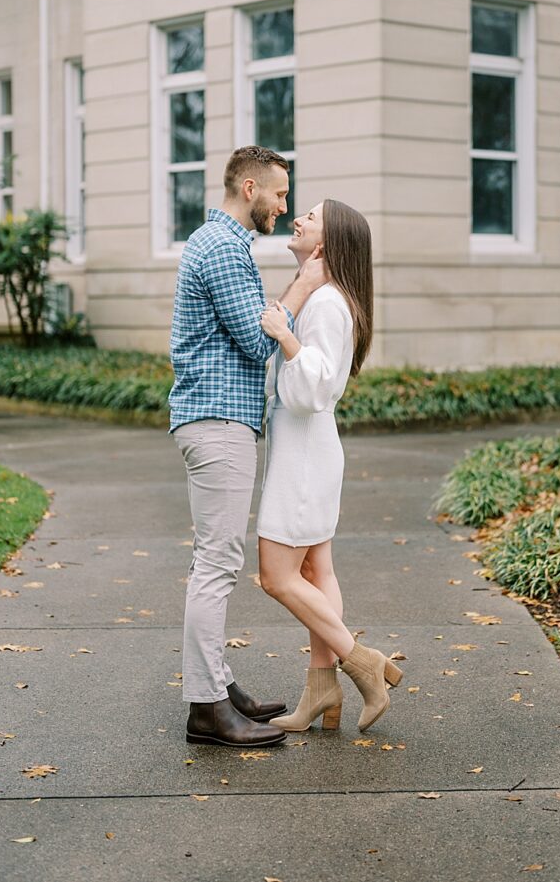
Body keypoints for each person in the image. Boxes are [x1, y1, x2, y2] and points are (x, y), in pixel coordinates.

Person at [169, 145, 328, 748]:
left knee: (210, 562)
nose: (284, 206)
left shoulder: (220, 245)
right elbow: (257, 340)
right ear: (251, 188)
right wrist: (305, 282)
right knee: (216, 565)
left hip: (214, 420)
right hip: (218, 424)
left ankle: (218, 685)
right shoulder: (223, 248)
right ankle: (207, 709)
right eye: (281, 194)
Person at [257, 199, 403, 734]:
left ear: (325, 243)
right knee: (318, 571)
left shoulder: (326, 304)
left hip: (304, 456)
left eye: (310, 217)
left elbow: (312, 390)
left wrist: (283, 332)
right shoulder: (328, 297)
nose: (296, 217)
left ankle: (362, 663)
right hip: (312, 451)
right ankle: (322, 692)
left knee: (277, 576)